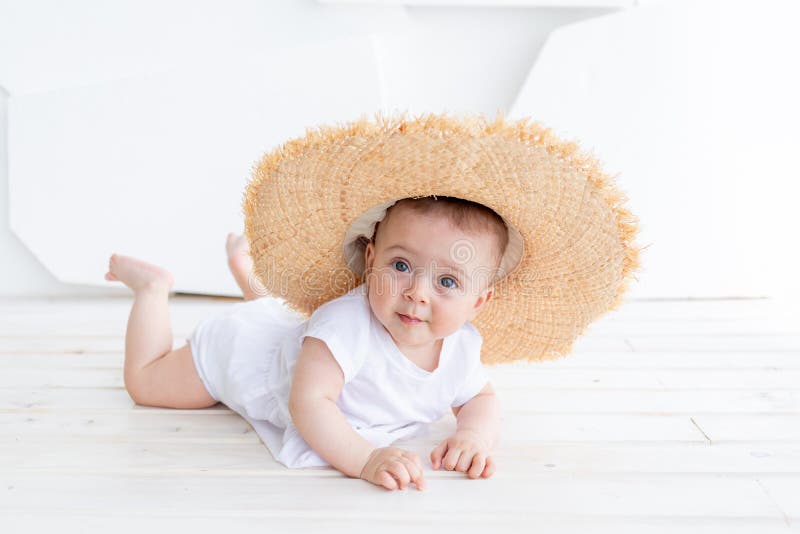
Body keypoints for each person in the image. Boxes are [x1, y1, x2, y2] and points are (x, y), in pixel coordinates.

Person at [105, 111, 641, 493]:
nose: (416, 292)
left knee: (278, 318)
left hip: (286, 334)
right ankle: (152, 288)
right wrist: (364, 459)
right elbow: (309, 404)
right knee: (147, 384)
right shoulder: (344, 325)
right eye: (401, 266)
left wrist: (474, 434)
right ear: (370, 260)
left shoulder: (460, 346)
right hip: (247, 357)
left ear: (481, 301)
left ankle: (247, 274)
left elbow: (480, 398)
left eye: (448, 283)